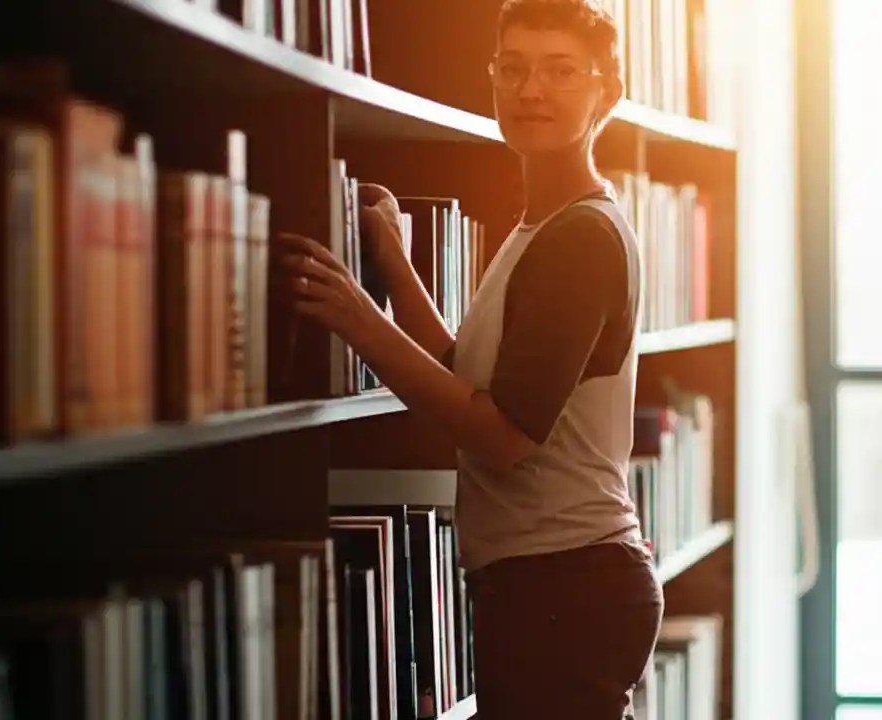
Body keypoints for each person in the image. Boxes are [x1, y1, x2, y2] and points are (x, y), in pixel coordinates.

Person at [272, 0, 663, 717]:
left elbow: (499, 435)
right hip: (546, 581)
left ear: (606, 93)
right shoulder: (539, 226)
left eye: (559, 71)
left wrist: (357, 318)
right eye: (511, 69)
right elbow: (466, 376)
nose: (530, 90)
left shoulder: (580, 239)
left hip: (565, 582)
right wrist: (392, 265)